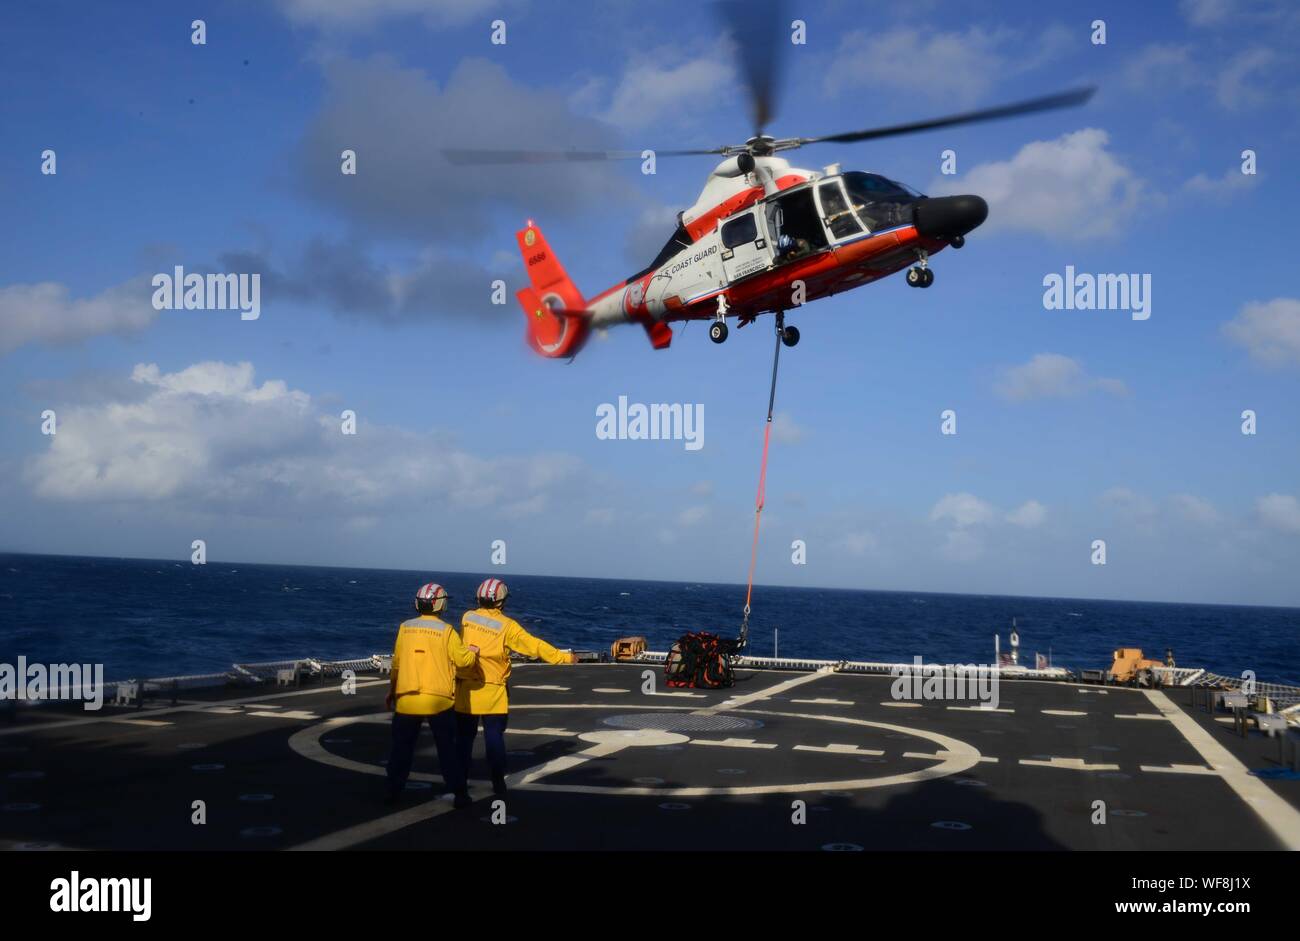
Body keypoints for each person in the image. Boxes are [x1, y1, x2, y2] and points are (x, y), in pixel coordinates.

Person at [455, 578, 575, 796]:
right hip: (493, 691)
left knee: (464, 739)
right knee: (494, 738)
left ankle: (460, 787)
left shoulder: (467, 617)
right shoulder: (507, 626)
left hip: (466, 689)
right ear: (501, 602)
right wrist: (563, 658)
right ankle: (498, 782)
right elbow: (534, 646)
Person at [385, 582, 479, 809]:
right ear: (441, 605)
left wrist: (392, 691)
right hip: (439, 701)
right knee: (448, 751)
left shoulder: (404, 627)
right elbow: (463, 660)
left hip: (407, 699)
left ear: (417, 603)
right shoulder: (446, 631)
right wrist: (473, 652)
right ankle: (460, 795)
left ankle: (392, 792)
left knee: (401, 749)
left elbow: (397, 663)